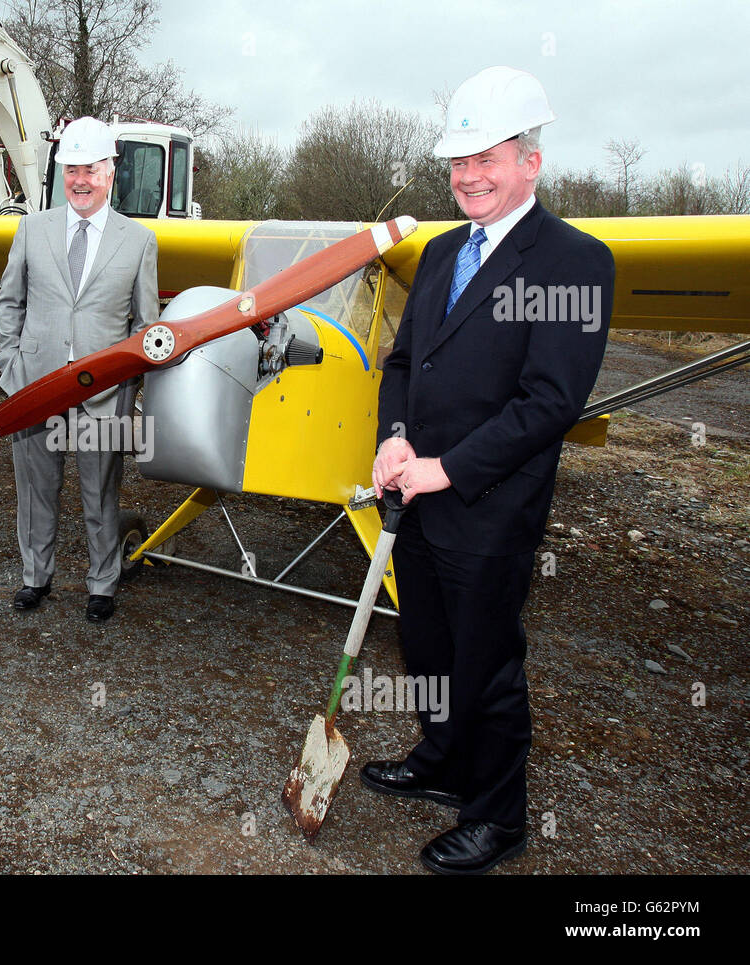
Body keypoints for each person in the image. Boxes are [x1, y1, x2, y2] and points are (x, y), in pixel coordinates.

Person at [367, 66, 614, 874]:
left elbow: (550, 402)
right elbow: (404, 361)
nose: (468, 177)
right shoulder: (440, 252)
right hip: (416, 493)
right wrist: (396, 439)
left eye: (488, 160)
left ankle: (498, 813)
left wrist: (448, 468)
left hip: (490, 504)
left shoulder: (575, 261)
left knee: (487, 660)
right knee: (427, 643)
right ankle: (442, 759)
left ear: (531, 163)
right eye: (459, 163)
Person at [0, 117, 159, 623]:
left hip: (102, 396)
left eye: (90, 169)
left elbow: (146, 327)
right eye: (71, 170)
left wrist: (127, 389)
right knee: (35, 492)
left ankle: (102, 584)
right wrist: (11, 364)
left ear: (110, 172)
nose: (80, 180)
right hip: (36, 387)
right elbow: (9, 304)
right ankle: (34, 578)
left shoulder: (138, 241)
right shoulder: (31, 228)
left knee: (100, 495)